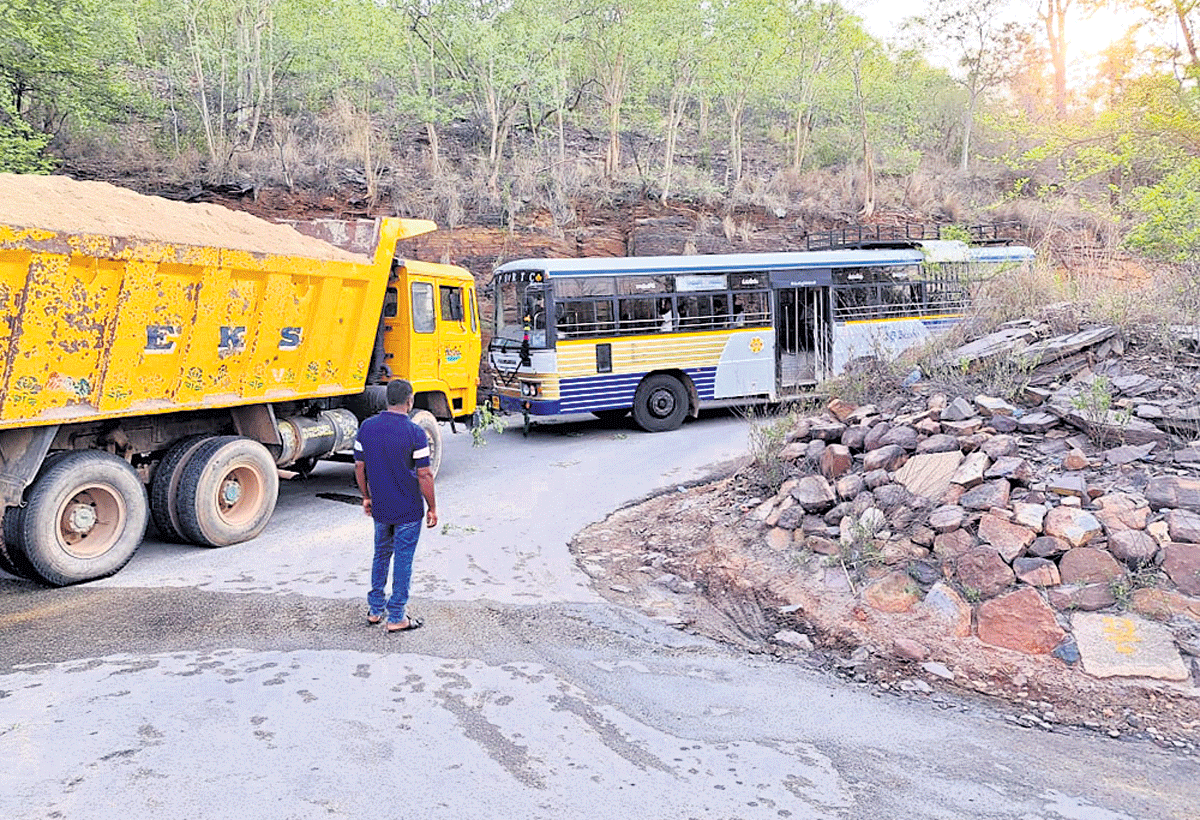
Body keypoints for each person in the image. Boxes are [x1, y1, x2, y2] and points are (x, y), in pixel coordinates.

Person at [354, 379, 438, 633]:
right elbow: (425, 474)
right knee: (403, 559)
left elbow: (360, 466)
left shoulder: (367, 428)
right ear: (410, 401)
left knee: (381, 554)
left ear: (386, 399)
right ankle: (397, 616)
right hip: (409, 510)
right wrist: (432, 507)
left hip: (381, 506)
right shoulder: (415, 432)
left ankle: (375, 610)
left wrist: (366, 496)